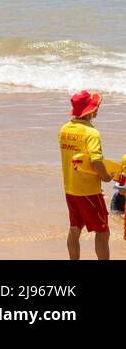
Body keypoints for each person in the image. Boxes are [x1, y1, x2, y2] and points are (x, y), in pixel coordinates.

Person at [58, 90, 112, 260]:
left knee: (74, 228)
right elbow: (96, 162)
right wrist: (105, 176)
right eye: (95, 107)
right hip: (88, 190)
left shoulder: (64, 129)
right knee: (103, 231)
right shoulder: (91, 133)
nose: (97, 109)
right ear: (89, 110)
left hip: (70, 189)